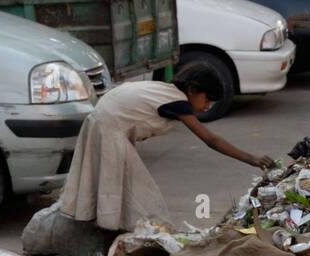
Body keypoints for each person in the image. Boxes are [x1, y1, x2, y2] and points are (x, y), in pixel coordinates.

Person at [57, 65, 275, 236]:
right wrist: (251, 159)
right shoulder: (177, 102)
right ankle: (108, 249)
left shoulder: (165, 91)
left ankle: (109, 237)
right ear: (191, 90)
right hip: (109, 130)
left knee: (115, 189)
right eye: (207, 98)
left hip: (102, 122)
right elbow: (210, 140)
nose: (207, 106)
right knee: (129, 197)